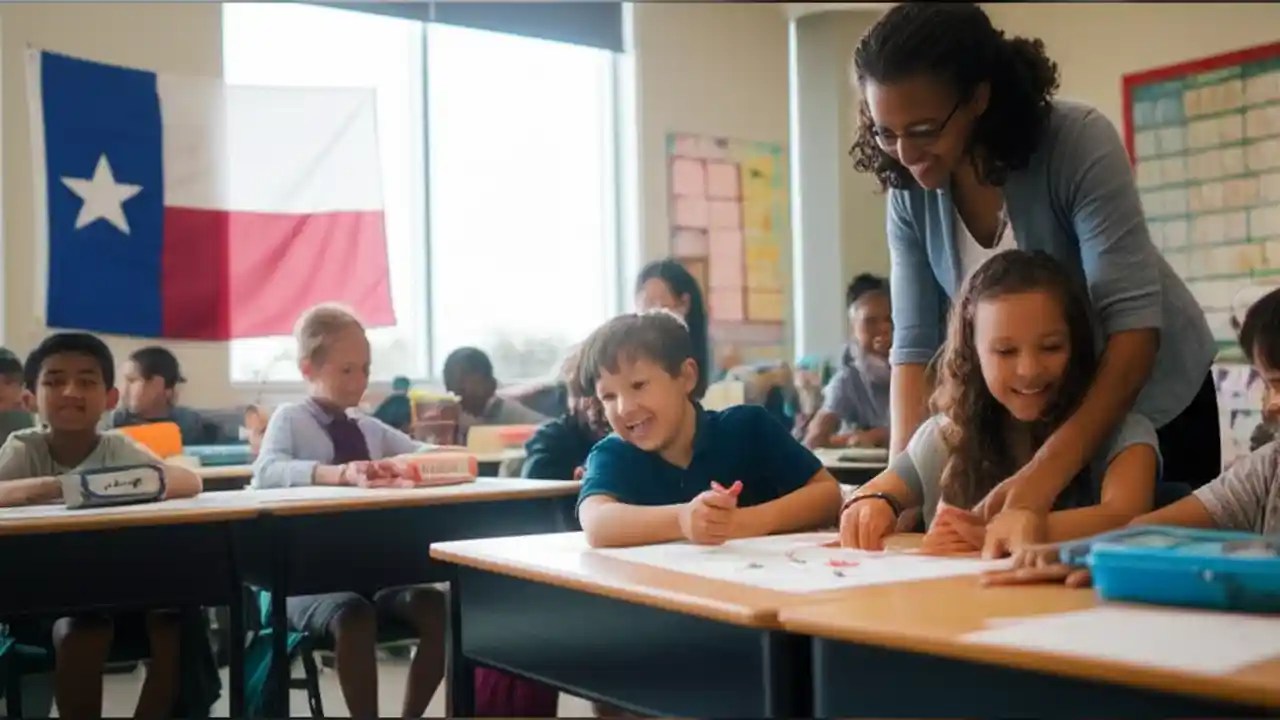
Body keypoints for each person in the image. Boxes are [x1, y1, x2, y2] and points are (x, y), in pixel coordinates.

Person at [849, 3, 1217, 553]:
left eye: (924, 129)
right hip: (1027, 418)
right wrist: (902, 495)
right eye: (885, 133)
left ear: (978, 96)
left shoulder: (1076, 143)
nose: (905, 154)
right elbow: (914, 344)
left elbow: (1133, 328)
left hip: (1150, 401)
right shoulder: (909, 187)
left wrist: (1041, 480)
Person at [838, 251, 1158, 557]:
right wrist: (873, 505)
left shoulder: (1123, 433)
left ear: (1078, 346)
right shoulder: (945, 437)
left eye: (1051, 347)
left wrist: (1014, 530)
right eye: (1005, 352)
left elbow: (1128, 516)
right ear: (973, 356)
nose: (1029, 370)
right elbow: (875, 492)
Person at [986, 285, 1280, 587]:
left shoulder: (1129, 432)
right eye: (1269, 386)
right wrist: (1084, 556)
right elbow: (1143, 533)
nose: (1271, 405)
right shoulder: (1268, 470)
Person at [251, 305, 446, 719]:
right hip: (307, 578)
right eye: (346, 371)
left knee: (437, 609)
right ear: (309, 369)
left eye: (364, 369)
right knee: (353, 617)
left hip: (374, 568)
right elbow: (265, 472)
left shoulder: (367, 426)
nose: (359, 382)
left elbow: (424, 454)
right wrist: (334, 473)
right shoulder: (290, 418)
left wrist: (433, 459)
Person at [0, 333, 205, 720]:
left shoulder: (117, 446)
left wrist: (90, 487)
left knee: (173, 621)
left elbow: (188, 481)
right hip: (41, 597)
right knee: (83, 630)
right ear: (30, 398)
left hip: (117, 585)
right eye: (54, 381)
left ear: (110, 399)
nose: (71, 391)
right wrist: (63, 487)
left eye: (87, 381)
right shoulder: (24, 448)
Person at [574, 310, 842, 549]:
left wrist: (747, 521)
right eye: (608, 396)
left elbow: (828, 495)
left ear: (686, 377)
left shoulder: (748, 427)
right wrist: (682, 519)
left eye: (638, 385)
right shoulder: (614, 453)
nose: (624, 408)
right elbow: (597, 522)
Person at [804, 273, 893, 449]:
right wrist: (852, 439)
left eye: (890, 320)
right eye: (871, 322)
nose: (884, 328)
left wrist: (878, 435)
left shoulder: (922, 371)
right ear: (854, 331)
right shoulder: (848, 379)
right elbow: (814, 440)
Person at [522, 348, 610, 481]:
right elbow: (537, 492)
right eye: (583, 393)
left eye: (607, 395)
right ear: (568, 399)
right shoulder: (552, 439)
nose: (592, 404)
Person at [108, 346, 219, 446]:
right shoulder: (113, 423)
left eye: (132, 381)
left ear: (158, 384)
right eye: (123, 381)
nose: (123, 389)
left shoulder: (190, 424)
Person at [635, 258, 711, 396]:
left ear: (684, 304)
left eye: (659, 306)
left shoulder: (709, 353)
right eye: (644, 308)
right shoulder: (631, 353)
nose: (649, 318)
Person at [442, 347, 547, 436]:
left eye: (462, 386)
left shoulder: (516, 416)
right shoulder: (453, 421)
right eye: (450, 386)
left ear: (491, 383)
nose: (456, 395)